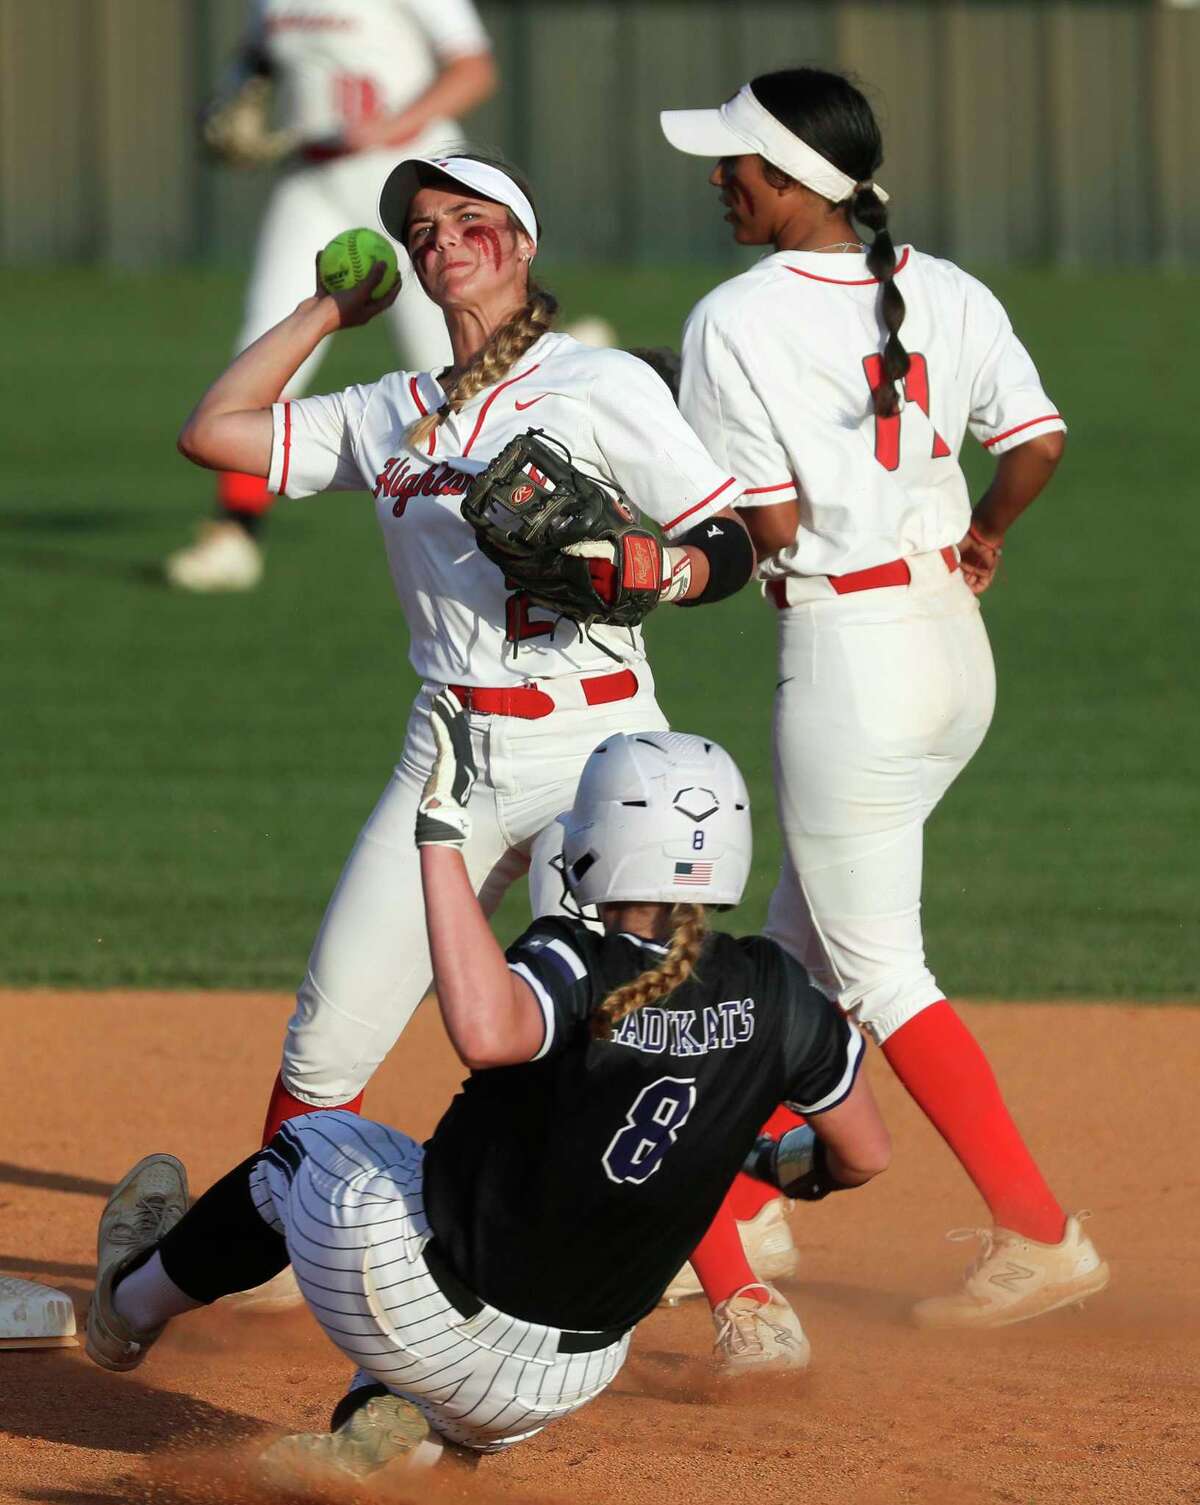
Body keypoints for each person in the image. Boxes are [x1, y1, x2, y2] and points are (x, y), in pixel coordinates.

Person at [175, 152, 759, 1309]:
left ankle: (742, 1295)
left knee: (616, 1027)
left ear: (524, 244)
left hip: (597, 751)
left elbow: (730, 537)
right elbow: (217, 432)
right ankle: (268, 1256)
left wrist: (671, 570)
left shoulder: (595, 381)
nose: (444, 239)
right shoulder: (390, 409)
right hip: (445, 754)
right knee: (325, 1045)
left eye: (472, 219)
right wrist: (327, 311)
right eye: (425, 227)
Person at [83, 719, 890, 1480]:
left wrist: (440, 842)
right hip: (565, 1380)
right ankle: (409, 1443)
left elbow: (483, 1030)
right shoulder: (781, 992)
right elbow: (863, 1155)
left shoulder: (581, 959)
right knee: (430, 1303)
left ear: (600, 842)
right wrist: (773, 1161)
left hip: (422, 1310)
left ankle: (127, 1308)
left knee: (307, 1148)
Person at [658, 67, 1109, 1333]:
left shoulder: (734, 318)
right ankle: (750, 1204)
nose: (719, 179)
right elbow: (1037, 442)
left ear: (793, 179)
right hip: (952, 648)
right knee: (800, 947)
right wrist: (987, 532)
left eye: (736, 162)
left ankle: (1037, 1231)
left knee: (876, 968)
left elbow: (768, 526)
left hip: (850, 660)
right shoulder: (947, 286)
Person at [166, 0, 497, 591]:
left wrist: (395, 125)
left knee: (457, 363)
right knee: (269, 340)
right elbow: (258, 57)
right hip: (315, 179)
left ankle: (519, 517)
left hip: (410, 174)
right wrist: (236, 96)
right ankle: (235, 531)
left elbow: (474, 70)